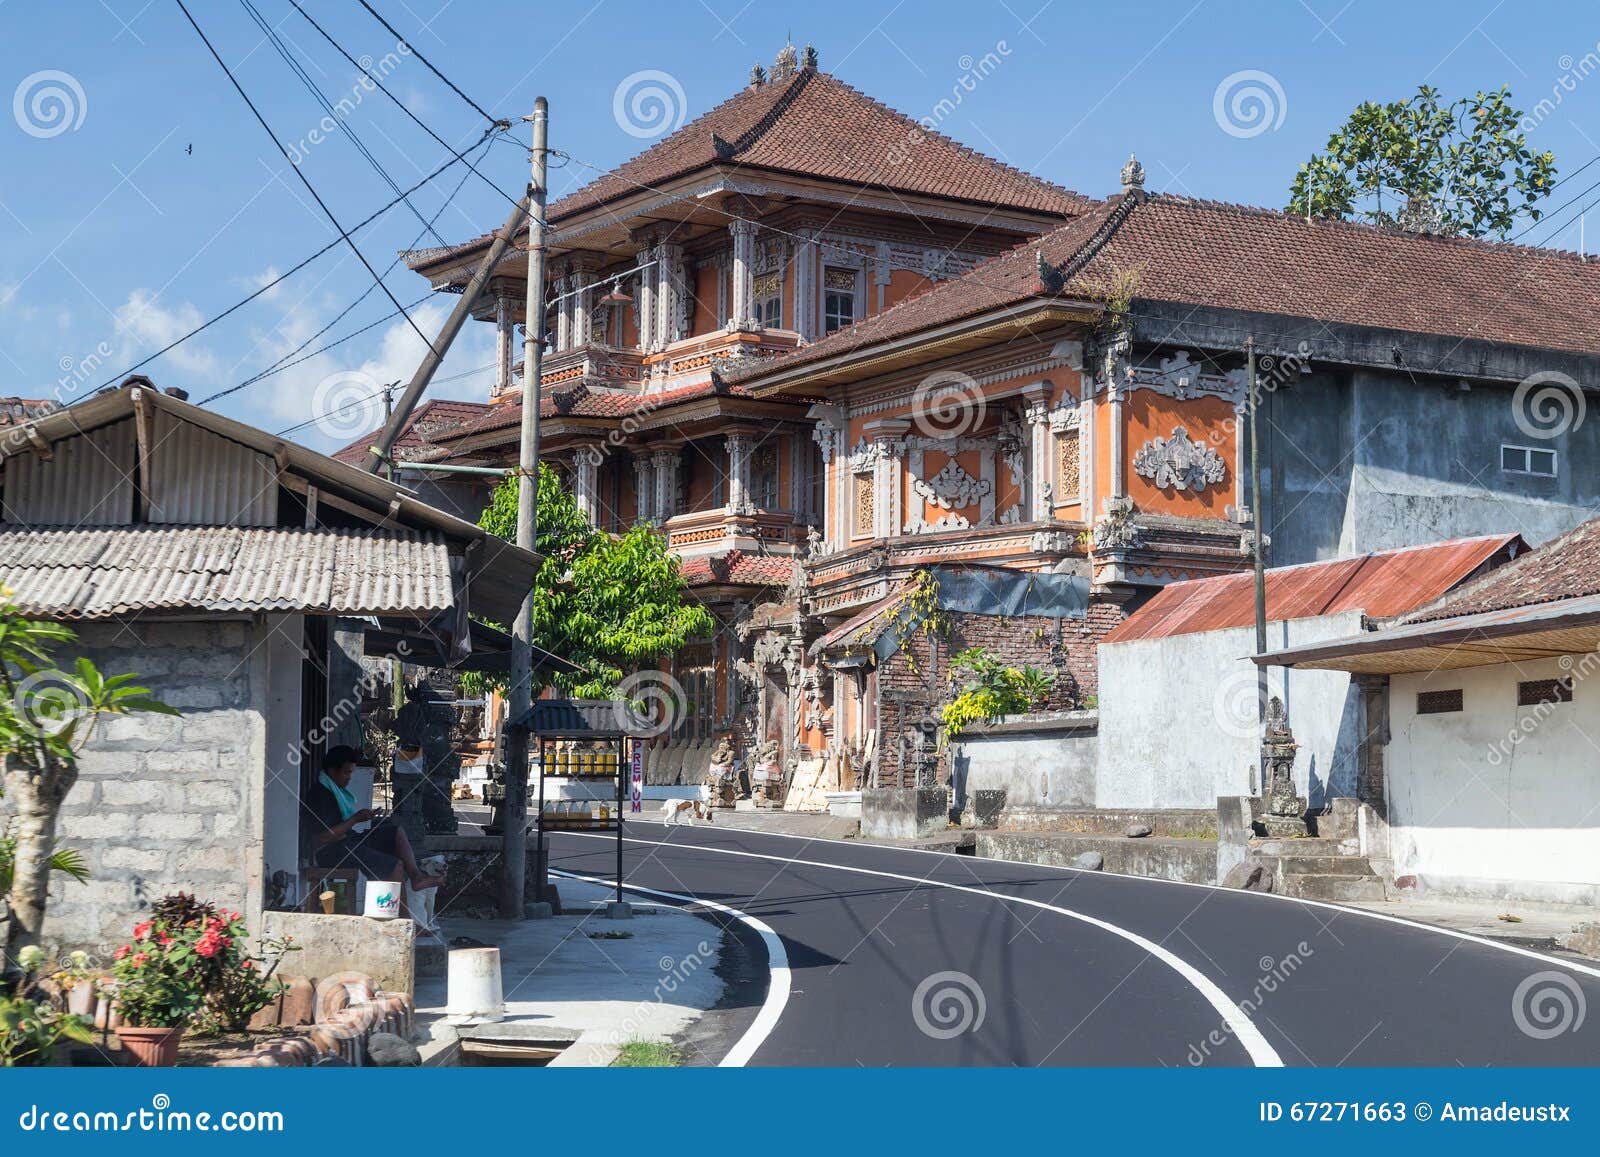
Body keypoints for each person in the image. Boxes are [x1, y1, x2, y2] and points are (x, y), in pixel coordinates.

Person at [307, 745, 444, 893]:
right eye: (346, 773)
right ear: (333, 771)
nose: (349, 778)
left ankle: (416, 876)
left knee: (395, 833)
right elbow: (321, 838)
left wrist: (360, 819)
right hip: (328, 852)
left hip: (347, 841)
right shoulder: (320, 795)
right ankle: (403, 915)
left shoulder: (335, 790)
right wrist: (355, 819)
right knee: (395, 866)